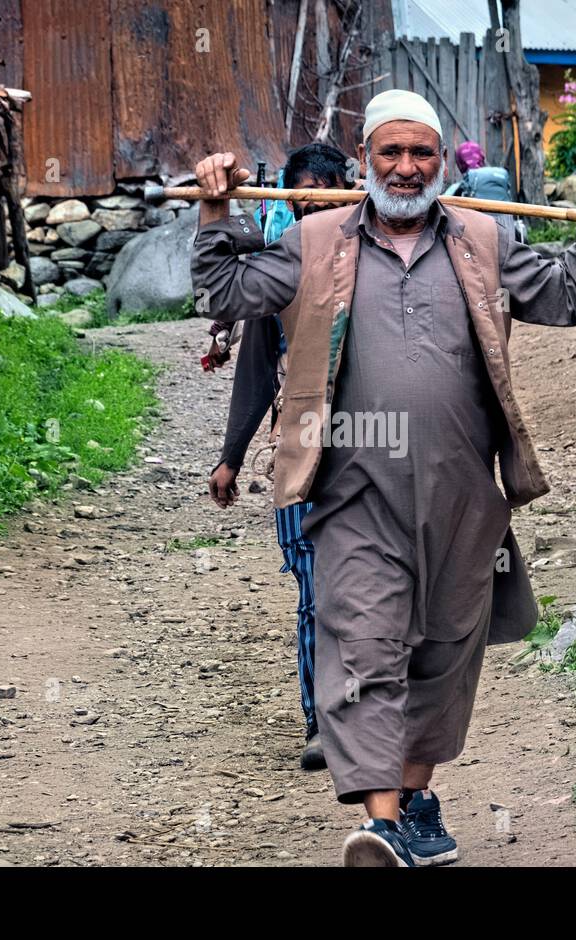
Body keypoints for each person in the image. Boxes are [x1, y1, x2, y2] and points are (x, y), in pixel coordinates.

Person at [191, 89, 576, 866]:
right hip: (351, 493)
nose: (406, 169)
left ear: (442, 161)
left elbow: (568, 298)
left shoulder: (484, 237)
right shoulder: (312, 240)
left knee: (441, 654)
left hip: (464, 492)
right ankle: (382, 820)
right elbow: (222, 293)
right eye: (390, 154)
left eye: (421, 154)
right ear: (364, 160)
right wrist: (215, 212)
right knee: (361, 644)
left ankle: (410, 803)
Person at [206, 143, 356, 772]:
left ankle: (369, 714)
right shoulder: (282, 268)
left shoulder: (376, 262)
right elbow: (255, 372)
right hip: (298, 451)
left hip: (371, 451)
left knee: (371, 589)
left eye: (323, 190)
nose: (310, 202)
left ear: (349, 189)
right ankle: (321, 720)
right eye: (299, 194)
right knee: (316, 590)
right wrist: (230, 457)